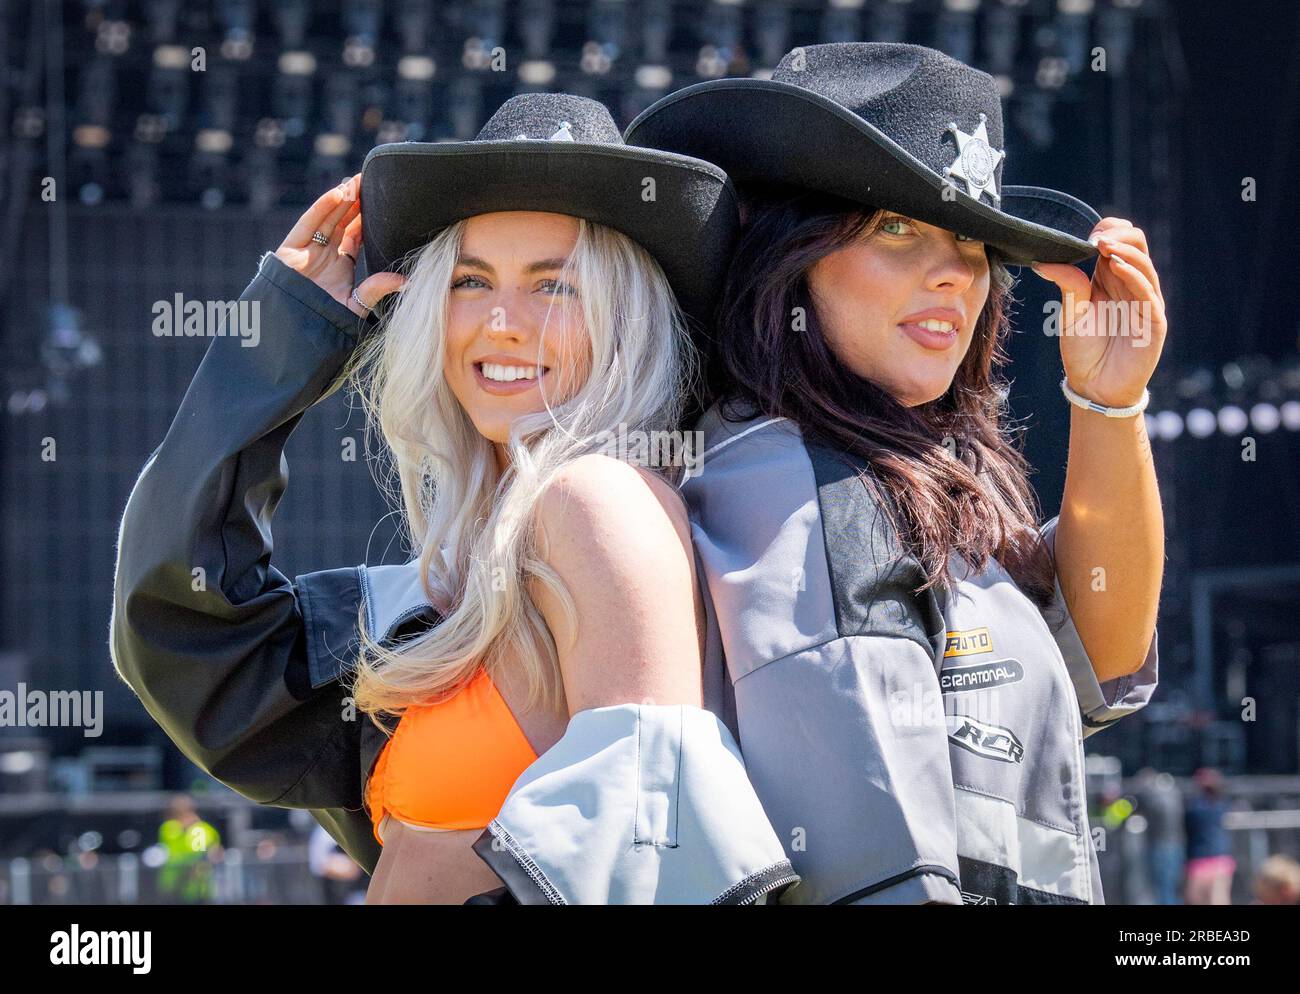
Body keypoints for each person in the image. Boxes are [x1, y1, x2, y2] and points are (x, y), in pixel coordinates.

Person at [111, 92, 796, 905]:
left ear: (626, 317)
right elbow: (184, 637)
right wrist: (276, 346)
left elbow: (656, 866)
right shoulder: (445, 592)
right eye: (471, 280)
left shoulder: (597, 501)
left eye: (556, 288)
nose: (502, 322)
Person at [625, 41, 1164, 904]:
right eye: (896, 227)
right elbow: (877, 873)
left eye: (970, 240)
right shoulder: (804, 489)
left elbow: (1100, 656)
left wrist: (1109, 405)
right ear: (784, 256)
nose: (955, 271)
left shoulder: (885, 473)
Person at [156, 794, 222, 904]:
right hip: (175, 885)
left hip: (199, 887)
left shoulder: (204, 829)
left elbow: (215, 852)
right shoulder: (169, 828)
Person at [1184, 767, 1236, 905]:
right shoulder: (1222, 805)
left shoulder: (1193, 809)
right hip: (1220, 857)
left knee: (1198, 900)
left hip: (1201, 859)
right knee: (1219, 899)